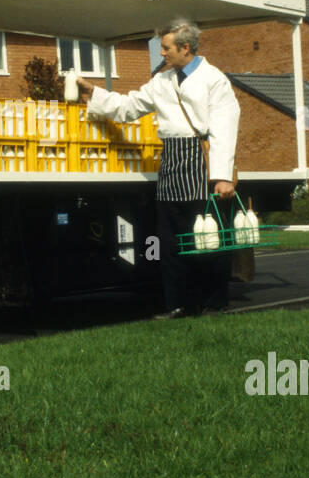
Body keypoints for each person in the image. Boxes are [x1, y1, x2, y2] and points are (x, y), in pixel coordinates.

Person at [76, 18, 240, 319]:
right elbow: (129, 107)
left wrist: (222, 178)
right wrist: (93, 94)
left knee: (208, 238)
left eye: (166, 48)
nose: (161, 53)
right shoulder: (161, 81)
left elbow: (225, 127)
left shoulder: (214, 79)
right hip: (171, 163)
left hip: (200, 161)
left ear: (185, 47)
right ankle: (178, 305)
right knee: (171, 242)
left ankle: (215, 303)